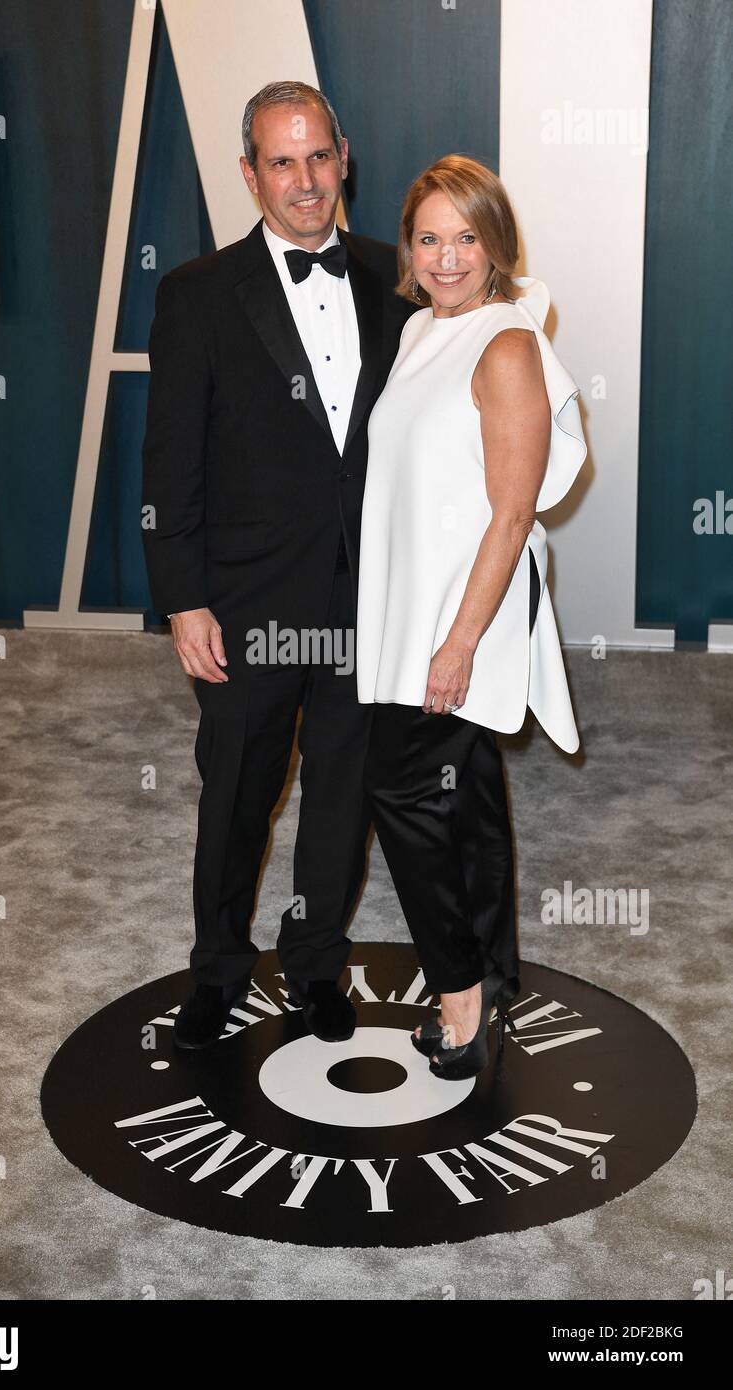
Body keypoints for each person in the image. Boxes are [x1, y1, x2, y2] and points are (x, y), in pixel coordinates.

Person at [141, 81, 413, 1049]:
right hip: (247, 604)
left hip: (363, 604)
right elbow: (168, 464)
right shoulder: (196, 295)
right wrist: (183, 600)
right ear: (248, 173)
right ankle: (216, 970)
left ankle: (313, 965)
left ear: (344, 156)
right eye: (280, 162)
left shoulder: (397, 280)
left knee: (340, 795)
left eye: (317, 157)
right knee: (237, 799)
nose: (304, 182)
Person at [355, 155, 587, 1081]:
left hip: (465, 617)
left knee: (400, 792)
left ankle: (457, 997)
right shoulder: (421, 330)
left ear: (497, 245)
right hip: (413, 608)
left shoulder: (507, 343)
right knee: (468, 797)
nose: (447, 257)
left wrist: (458, 643)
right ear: (408, 247)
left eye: (466, 237)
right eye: (429, 237)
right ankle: (491, 971)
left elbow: (513, 509)